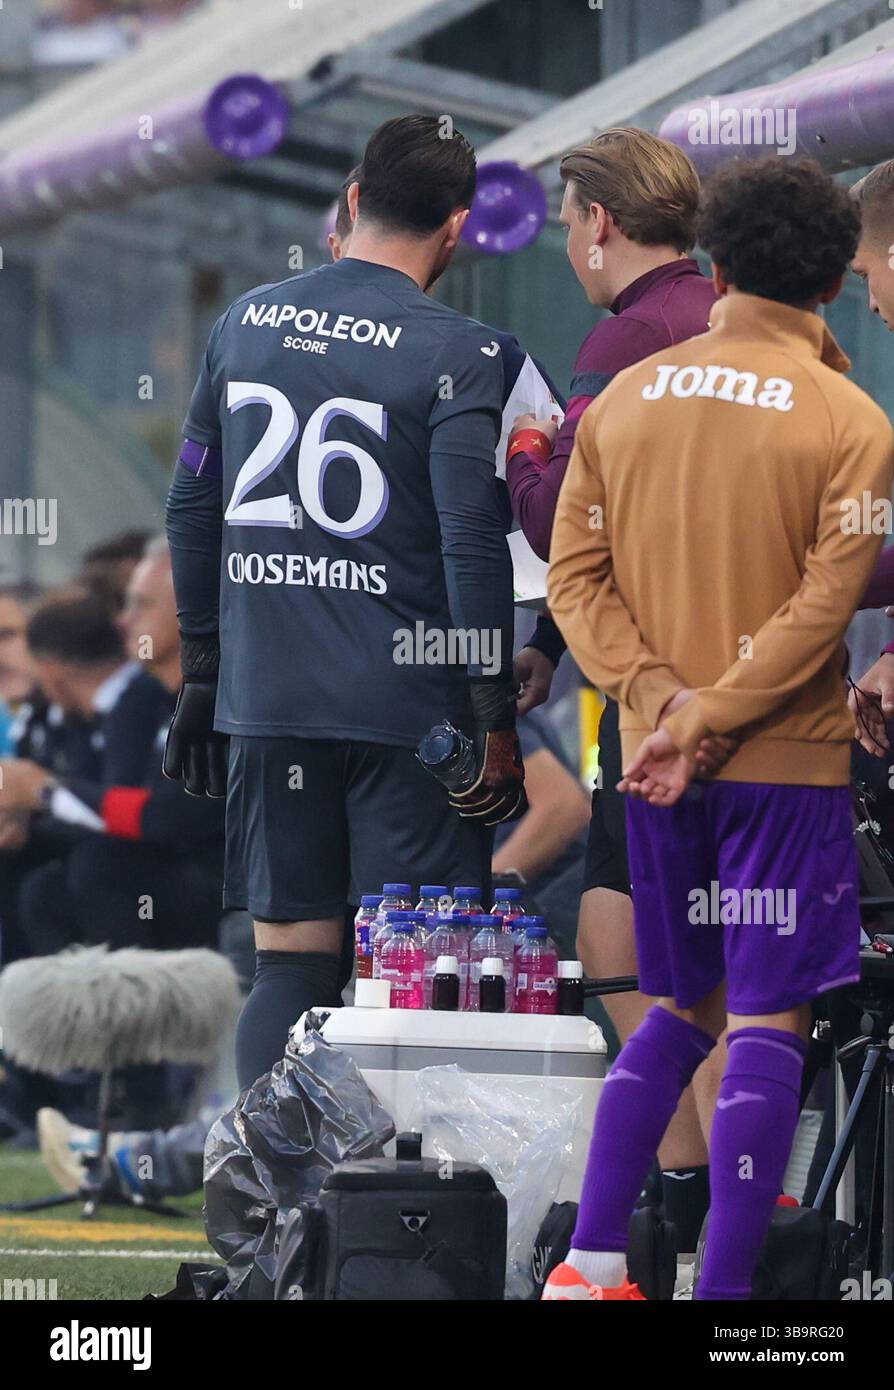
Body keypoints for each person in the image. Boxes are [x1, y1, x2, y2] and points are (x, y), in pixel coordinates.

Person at [544, 156, 893, 1301]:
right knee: (764, 1024)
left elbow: (573, 581)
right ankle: (723, 1292)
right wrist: (715, 715)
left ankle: (591, 1267)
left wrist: (655, 705)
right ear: (838, 280)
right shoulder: (853, 420)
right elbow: (824, 608)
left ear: (720, 262)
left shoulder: (631, 397)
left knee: (677, 1008)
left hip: (657, 768)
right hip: (782, 766)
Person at [164, 115, 525, 1090]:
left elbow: (192, 503)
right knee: (411, 971)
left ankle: (267, 1219)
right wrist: (494, 713)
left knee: (287, 962)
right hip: (413, 715)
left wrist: (202, 673)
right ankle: (396, 1220)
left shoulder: (244, 322)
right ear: (457, 230)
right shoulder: (466, 350)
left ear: (354, 200)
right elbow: (469, 539)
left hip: (270, 700)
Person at [511, 128, 726, 1247]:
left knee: (672, 967)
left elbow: (564, 521)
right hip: (726, 688)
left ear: (600, 220)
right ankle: (691, 1193)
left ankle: (712, 1199)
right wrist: (552, 630)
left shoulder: (629, 335)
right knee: (619, 932)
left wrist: (527, 446)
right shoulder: (728, 314)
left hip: (663, 699)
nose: (565, 248)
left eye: (564, 225)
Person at [7, 540, 224, 956]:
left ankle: (137, 1010)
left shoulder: (217, 702)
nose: (123, 622)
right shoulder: (152, 697)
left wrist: (46, 790)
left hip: (222, 889)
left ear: (192, 612)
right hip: (162, 871)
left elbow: (164, 816)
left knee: (103, 864)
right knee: (41, 883)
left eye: (140, 606)